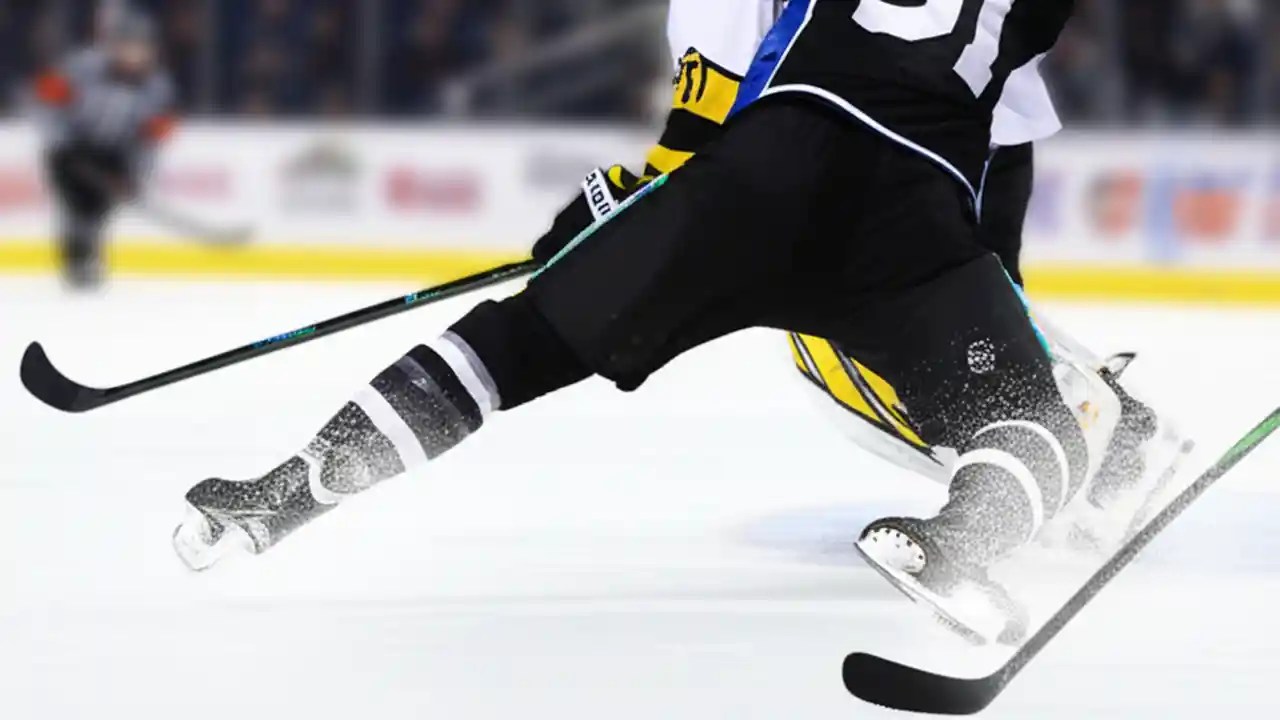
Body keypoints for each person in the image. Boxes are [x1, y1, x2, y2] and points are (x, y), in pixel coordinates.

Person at [173, 0, 1168, 644]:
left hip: (761, 170)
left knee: (519, 341)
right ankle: (961, 539)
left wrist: (613, 212)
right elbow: (1016, 127)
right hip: (908, 208)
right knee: (1034, 414)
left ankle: (289, 489)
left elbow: (699, 122)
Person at [29, 4, 176, 289]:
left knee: (99, 208)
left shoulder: (158, 86)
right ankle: (76, 257)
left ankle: (88, 255)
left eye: (141, 48)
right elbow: (46, 105)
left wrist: (136, 176)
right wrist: (61, 143)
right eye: (127, 46)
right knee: (75, 203)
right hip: (71, 150)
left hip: (114, 155)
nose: (134, 54)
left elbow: (149, 140)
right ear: (114, 45)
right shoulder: (80, 67)